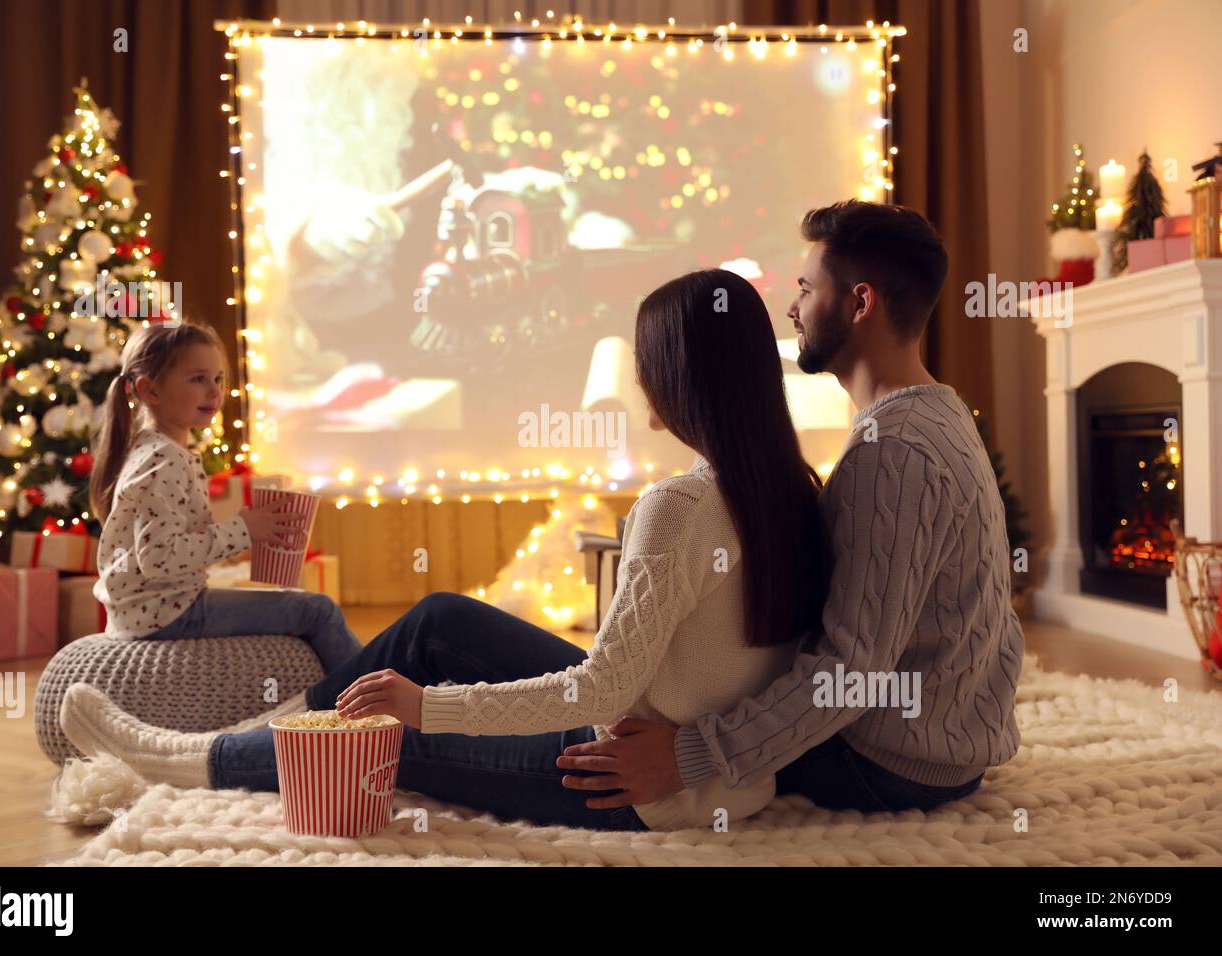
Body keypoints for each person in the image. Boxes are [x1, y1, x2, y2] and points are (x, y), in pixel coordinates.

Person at [59, 268, 834, 831]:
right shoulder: (793, 489)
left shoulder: (679, 506)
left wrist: (426, 706)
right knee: (437, 623)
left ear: (674, 376)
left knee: (388, 737)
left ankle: (196, 760)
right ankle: (271, 732)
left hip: (633, 782)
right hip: (717, 773)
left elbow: (597, 694)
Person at [556, 200, 1024, 813]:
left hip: (882, 764)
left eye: (806, 289)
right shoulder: (942, 411)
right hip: (941, 750)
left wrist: (687, 755)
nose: (793, 308)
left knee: (588, 720)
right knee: (602, 679)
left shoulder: (896, 454)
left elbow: (851, 670)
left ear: (860, 304)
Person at [87, 318, 362, 675]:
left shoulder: (155, 450)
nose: (214, 391)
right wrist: (244, 529)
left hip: (154, 609)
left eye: (217, 379)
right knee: (317, 610)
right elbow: (159, 558)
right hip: (166, 614)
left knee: (299, 604)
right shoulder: (162, 461)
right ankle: (374, 698)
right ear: (150, 391)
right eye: (198, 379)